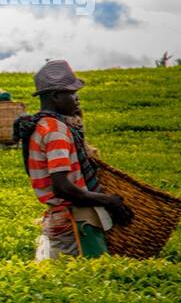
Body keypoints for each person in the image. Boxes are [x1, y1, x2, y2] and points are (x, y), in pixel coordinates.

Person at [12, 60, 132, 259]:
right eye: (72, 93)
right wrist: (109, 201)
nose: (77, 99)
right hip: (75, 222)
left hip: (64, 219)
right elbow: (63, 187)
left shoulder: (41, 125)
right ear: (56, 96)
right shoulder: (55, 131)